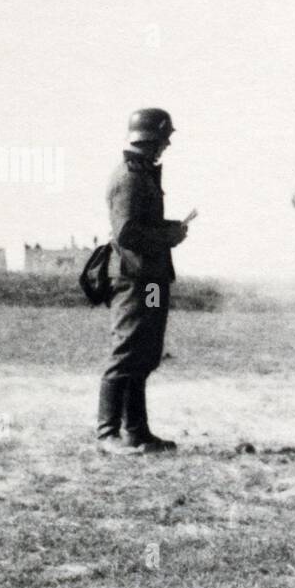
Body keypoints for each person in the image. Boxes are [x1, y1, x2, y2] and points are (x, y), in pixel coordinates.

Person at [96, 108, 189, 455]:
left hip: (151, 282)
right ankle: (108, 434)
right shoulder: (130, 177)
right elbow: (127, 233)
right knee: (126, 352)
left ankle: (136, 432)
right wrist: (169, 235)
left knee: (145, 352)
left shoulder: (144, 174)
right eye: (163, 139)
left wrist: (169, 231)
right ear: (149, 139)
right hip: (135, 281)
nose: (165, 145)